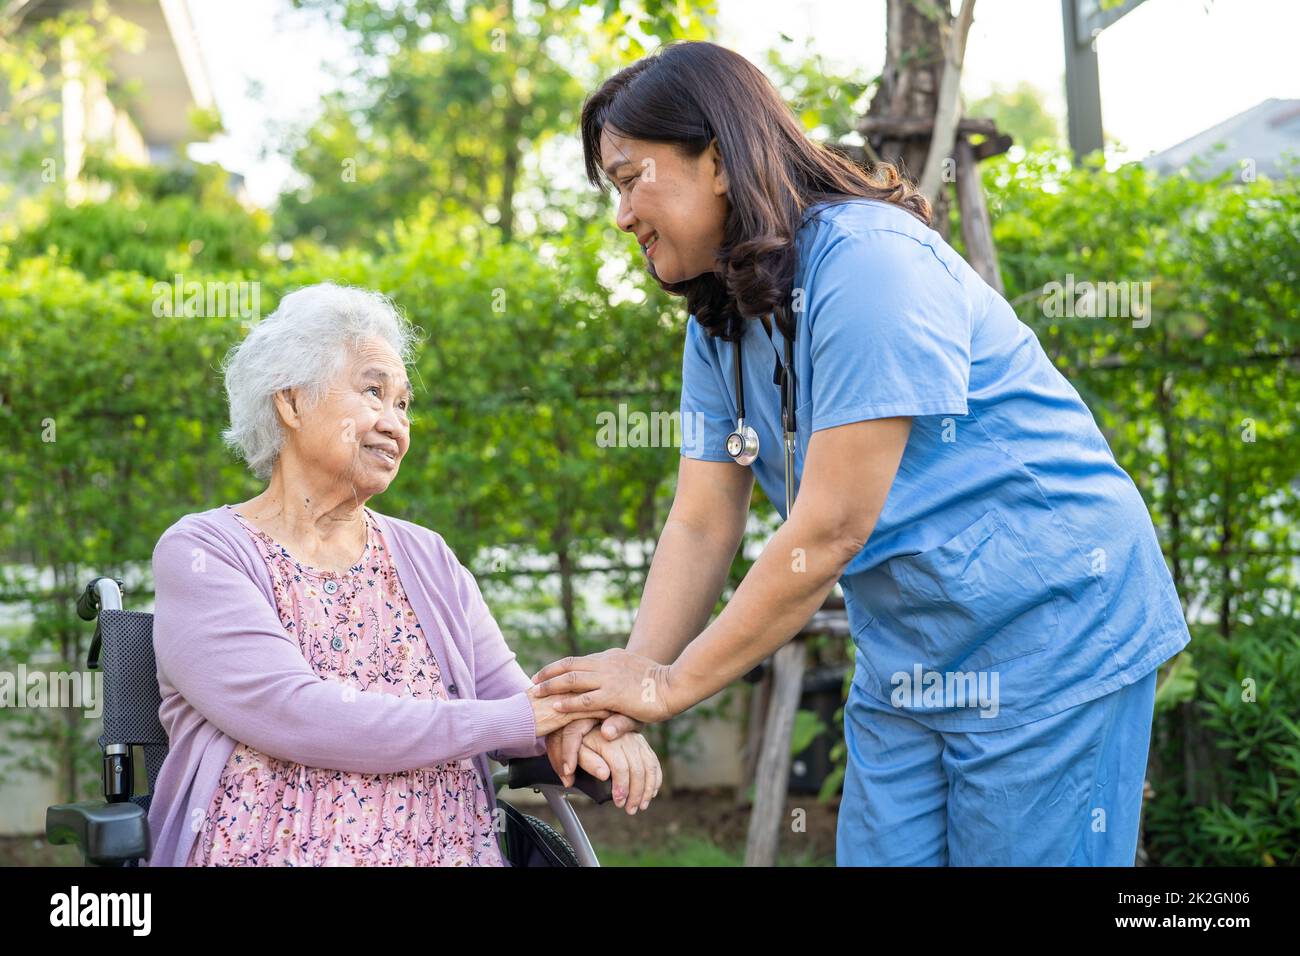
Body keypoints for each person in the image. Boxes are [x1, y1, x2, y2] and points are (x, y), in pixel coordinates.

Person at [531, 41, 1190, 866]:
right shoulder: (721, 323)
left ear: (720, 160)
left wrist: (669, 687)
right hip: (910, 659)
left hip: (1052, 634)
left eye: (631, 179)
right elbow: (702, 523)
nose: (622, 214)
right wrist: (629, 681)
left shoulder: (870, 262)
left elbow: (834, 525)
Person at [146, 282, 660, 867]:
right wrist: (527, 717)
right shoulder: (206, 551)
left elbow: (517, 703)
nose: (396, 423)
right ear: (291, 403)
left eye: (404, 404)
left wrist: (592, 730)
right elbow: (297, 713)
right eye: (374, 392)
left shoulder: (427, 557)